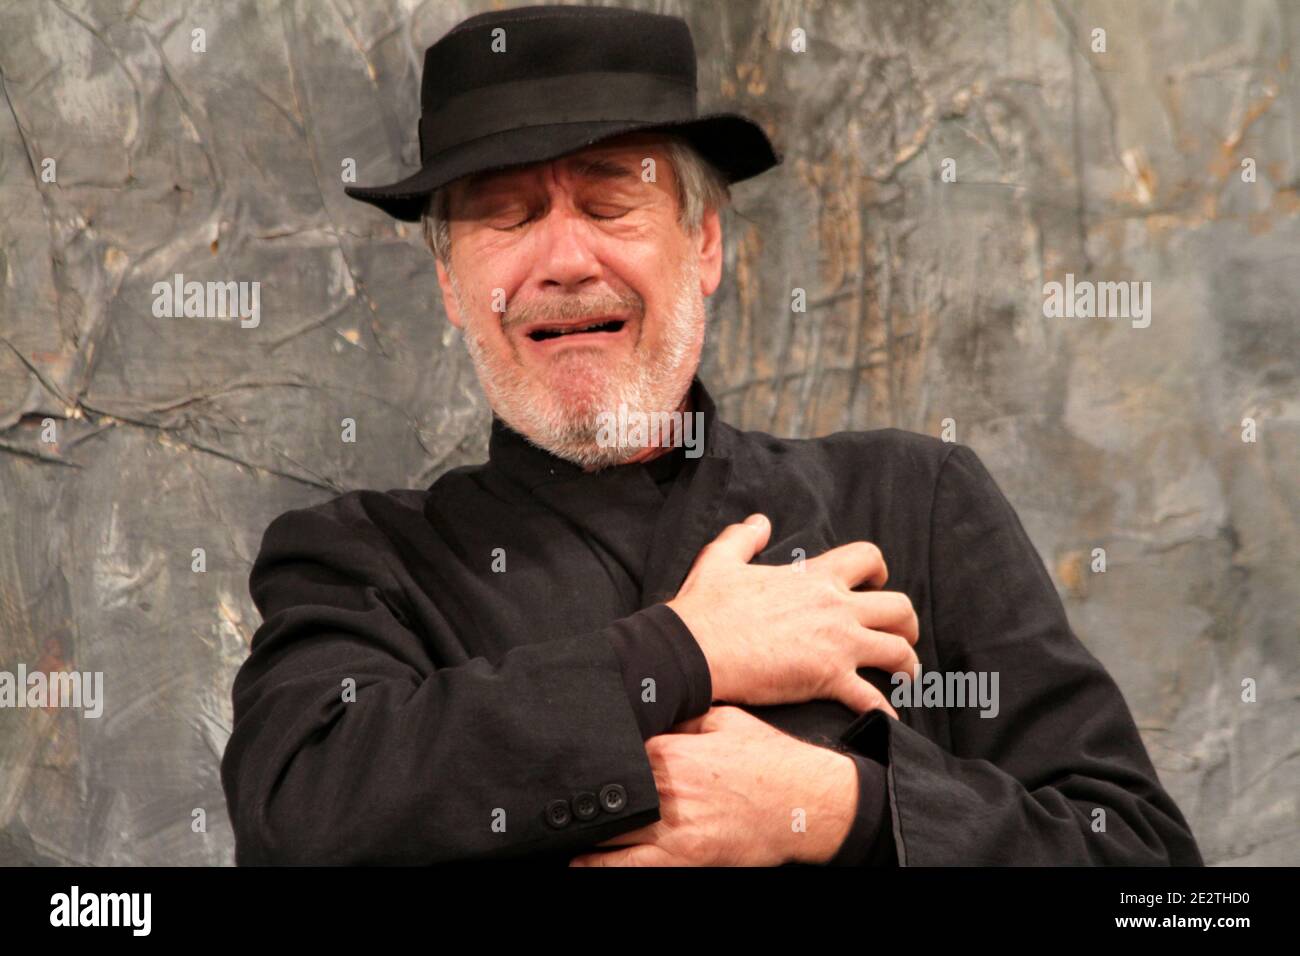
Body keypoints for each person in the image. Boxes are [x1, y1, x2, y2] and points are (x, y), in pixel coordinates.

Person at [219, 4, 1203, 867]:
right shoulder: (357, 561)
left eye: (609, 202)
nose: (563, 258)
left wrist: (833, 809)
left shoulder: (916, 499)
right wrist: (687, 649)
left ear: (703, 245)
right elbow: (298, 814)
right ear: (448, 281)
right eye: (505, 217)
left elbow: (1148, 874)